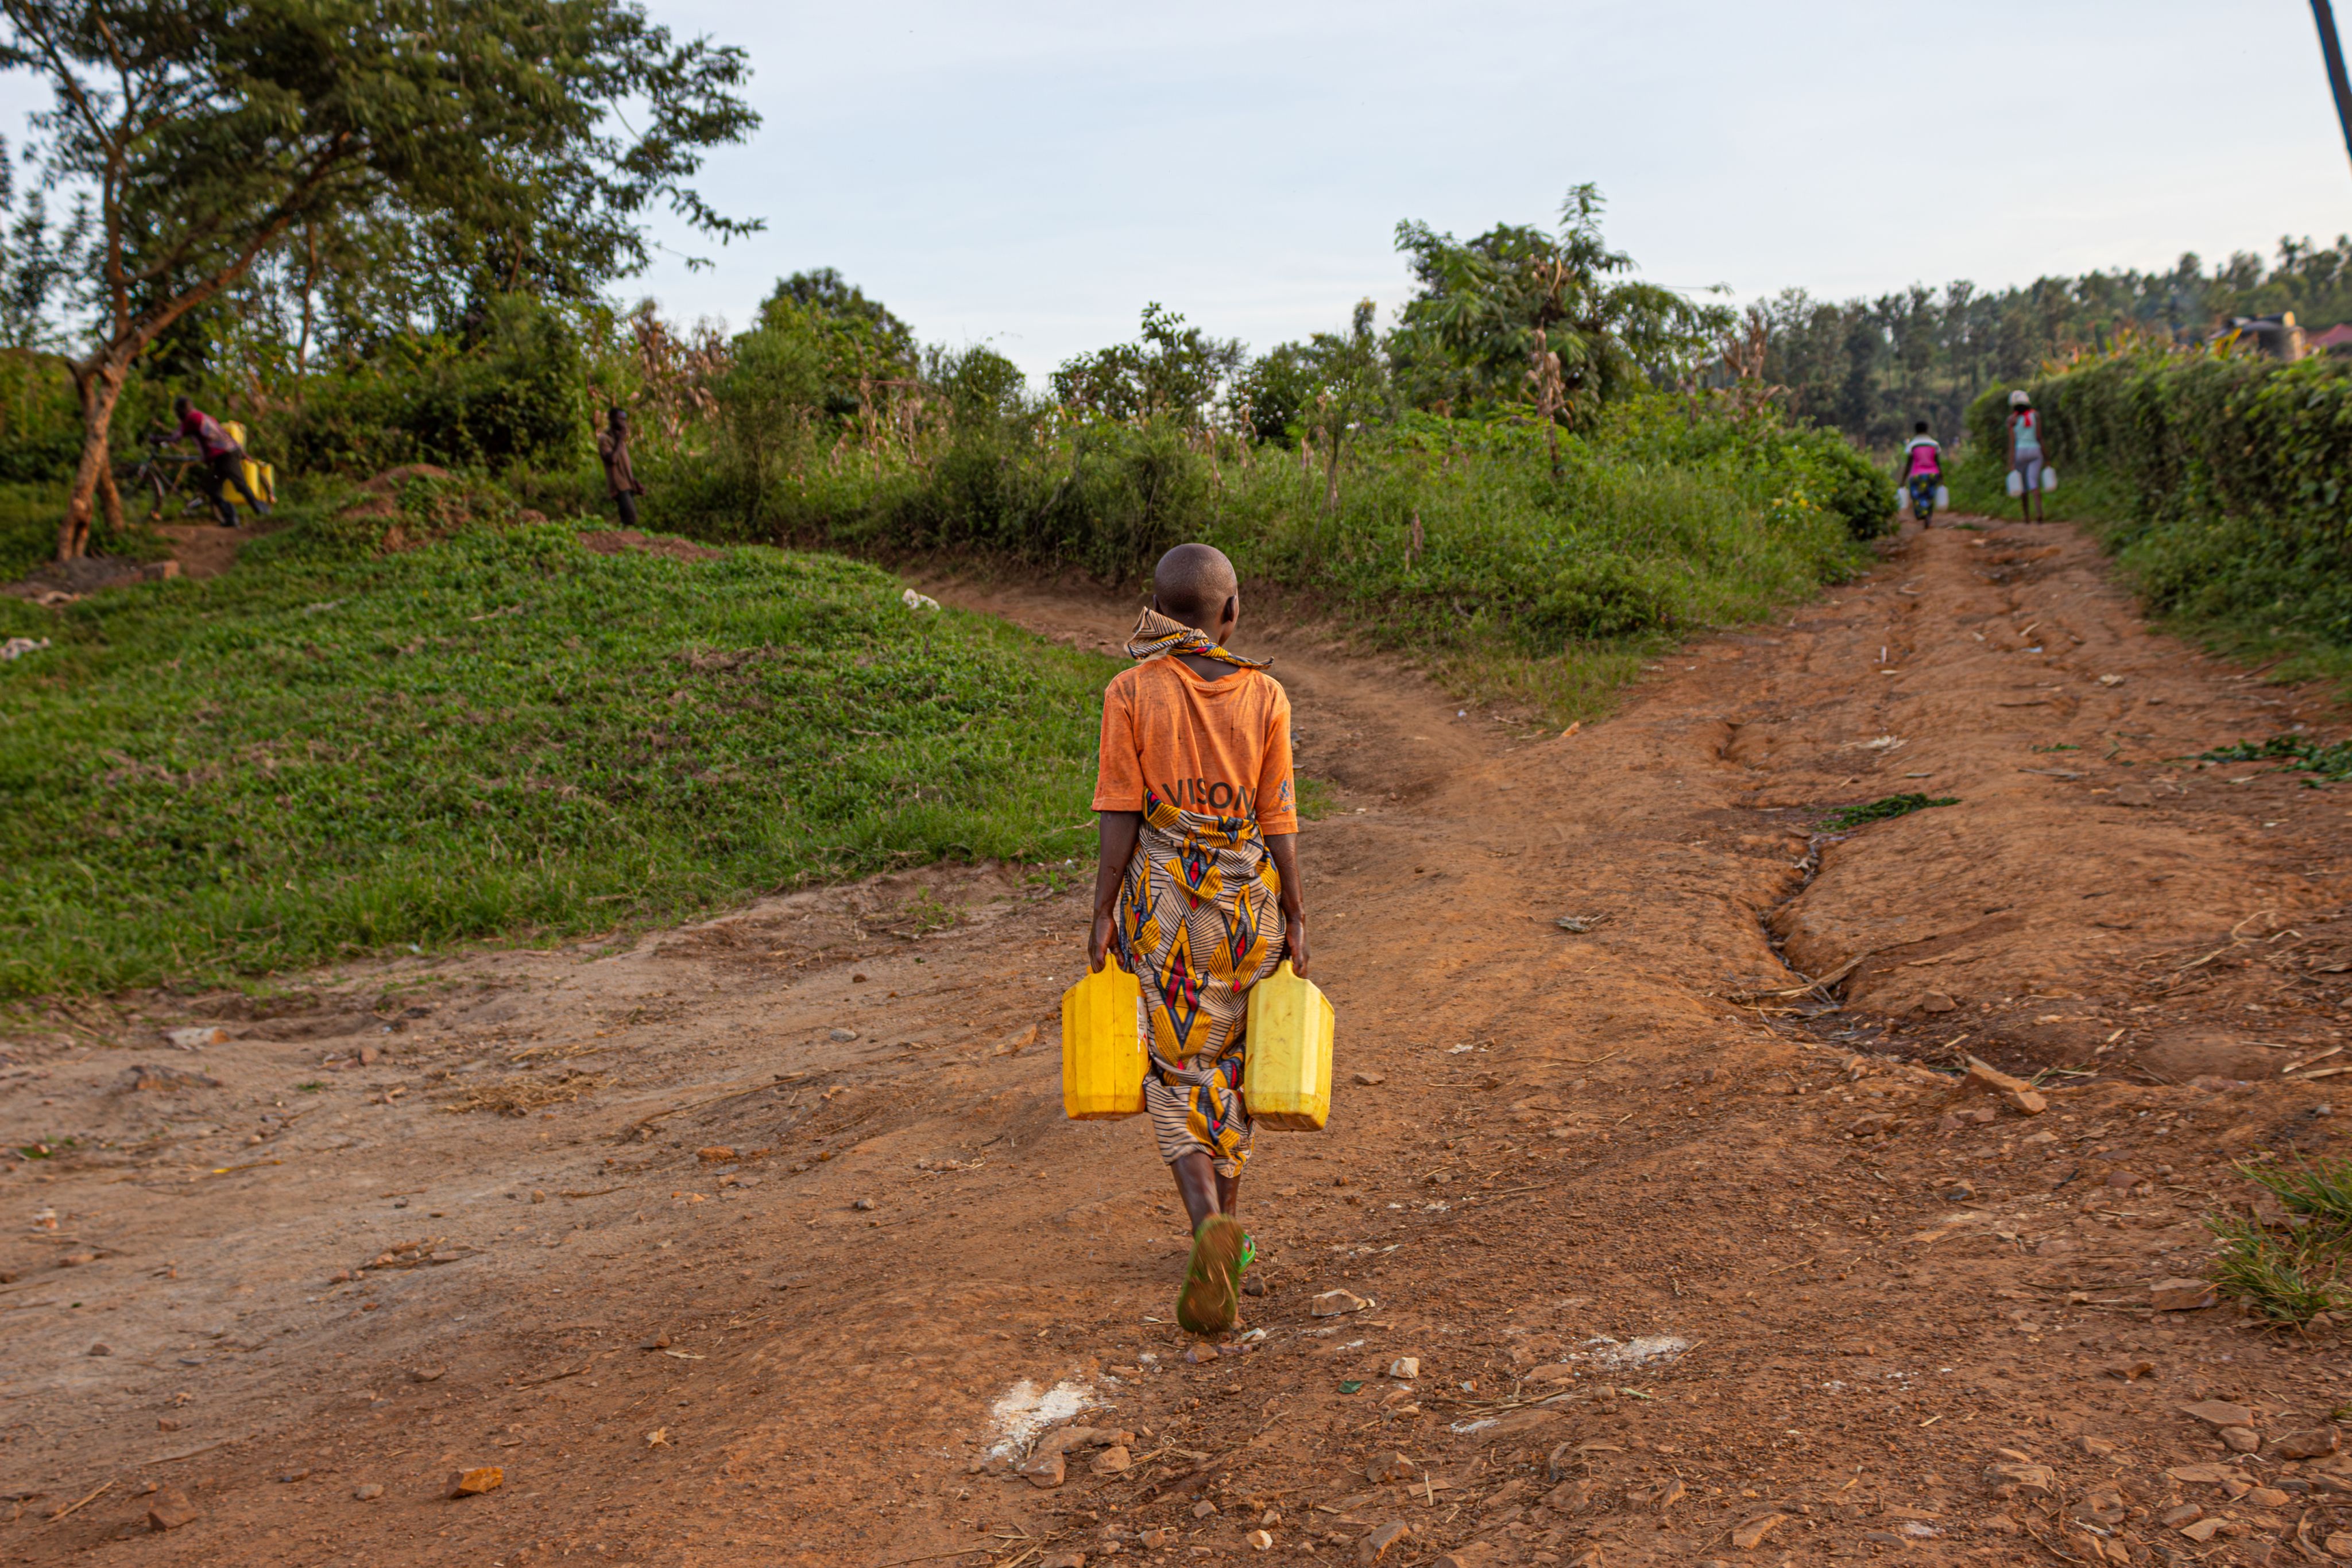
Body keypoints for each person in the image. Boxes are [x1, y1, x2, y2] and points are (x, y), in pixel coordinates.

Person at [1087, 543, 1309, 1337]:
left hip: (1169, 911)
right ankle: (1229, 1231)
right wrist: (1300, 914)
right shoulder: (1268, 694)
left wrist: (1104, 907)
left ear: (1158, 607)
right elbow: (1278, 813)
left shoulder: (1131, 690)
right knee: (1236, 1061)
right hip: (1248, 907)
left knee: (1177, 1065)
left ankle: (1202, 1223)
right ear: (1231, 611)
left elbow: (1119, 808)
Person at [172, 396, 268, 527]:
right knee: (214, 488)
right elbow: (223, 434)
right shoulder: (203, 417)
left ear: (182, 410)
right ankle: (235, 517)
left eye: (177, 411)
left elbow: (176, 437)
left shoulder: (192, 419)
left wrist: (156, 439)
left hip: (226, 455)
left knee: (238, 484)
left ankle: (260, 510)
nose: (177, 414)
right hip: (225, 454)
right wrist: (243, 453)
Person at [595, 406, 646, 528]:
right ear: (612, 419)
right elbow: (612, 459)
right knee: (631, 517)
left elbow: (624, 465)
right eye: (620, 419)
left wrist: (635, 482)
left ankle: (624, 540)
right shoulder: (605, 439)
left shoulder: (621, 441)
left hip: (628, 484)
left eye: (625, 420)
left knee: (627, 518)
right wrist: (619, 440)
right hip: (619, 485)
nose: (623, 423)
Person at [2007, 390, 2045, 523]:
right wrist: (2047, 457)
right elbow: (2040, 437)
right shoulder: (2036, 416)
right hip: (2035, 451)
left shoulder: (2012, 420)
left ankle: (2026, 517)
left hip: (2020, 453)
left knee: (2023, 487)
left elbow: (2012, 443)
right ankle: (2039, 513)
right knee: (2033, 483)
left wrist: (2011, 462)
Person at [1900, 420, 1943, 525]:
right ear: (1927, 429)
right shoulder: (1934, 444)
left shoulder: (1912, 445)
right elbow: (1937, 462)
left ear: (1916, 430)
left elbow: (1909, 464)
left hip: (1917, 475)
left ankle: (1921, 513)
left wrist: (1903, 480)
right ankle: (1928, 515)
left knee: (1917, 495)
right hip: (1933, 474)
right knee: (1930, 495)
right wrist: (1942, 478)